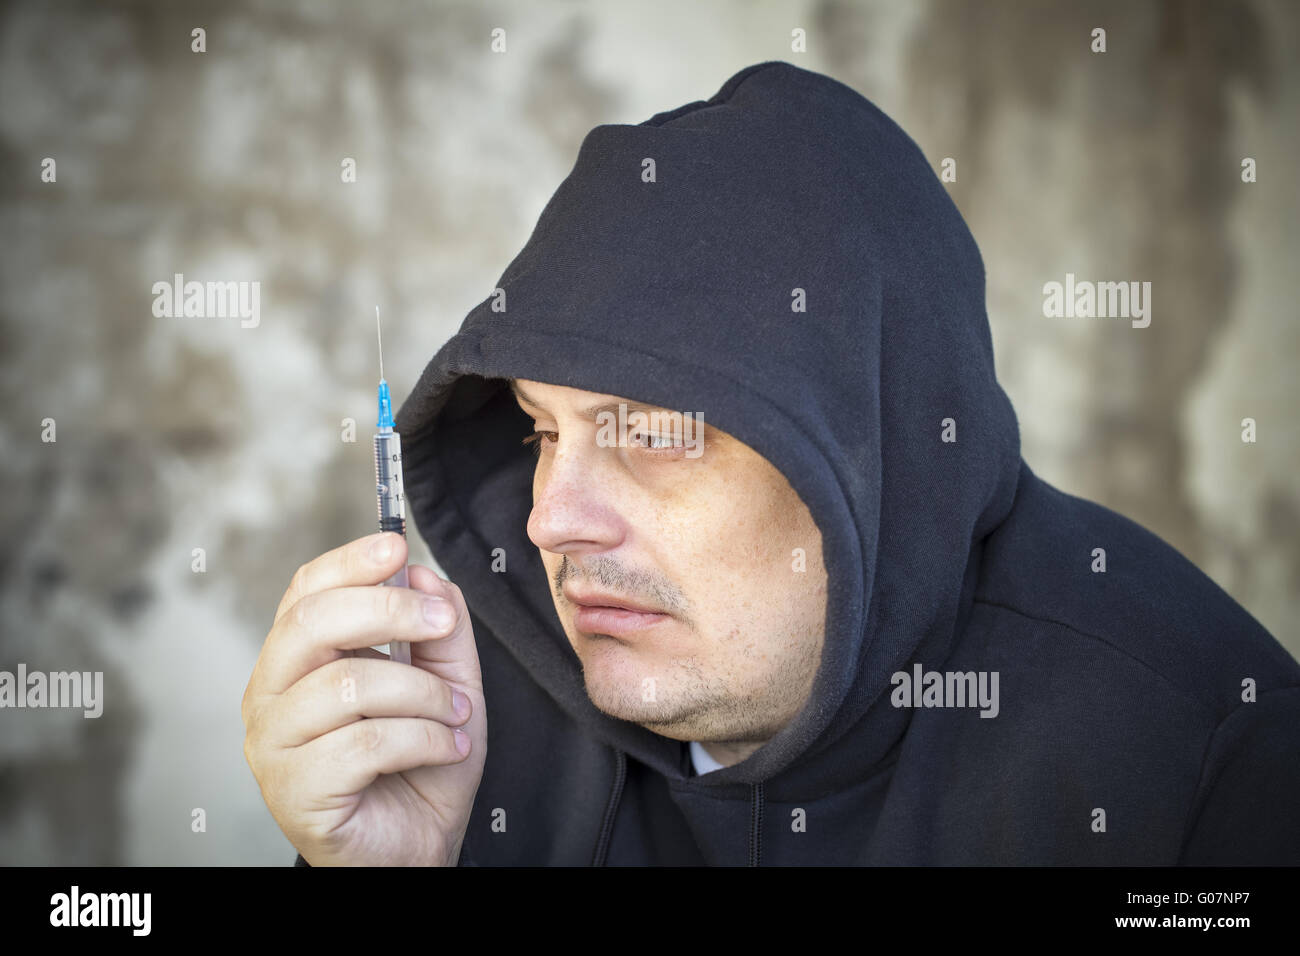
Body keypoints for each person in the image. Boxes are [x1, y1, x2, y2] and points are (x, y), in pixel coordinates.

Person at [242, 60, 1300, 866]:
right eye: (541, 429)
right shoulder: (464, 723)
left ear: (873, 457)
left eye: (650, 431)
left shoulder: (1193, 754)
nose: (549, 520)